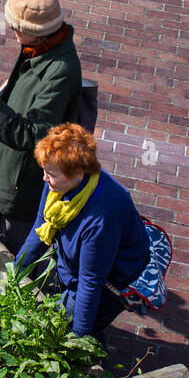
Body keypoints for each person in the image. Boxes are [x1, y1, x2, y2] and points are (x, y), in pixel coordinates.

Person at [15, 123, 150, 346]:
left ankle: (96, 361)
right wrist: (15, 272)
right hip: (82, 271)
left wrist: (78, 342)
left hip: (109, 284)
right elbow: (40, 229)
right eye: (44, 170)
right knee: (74, 315)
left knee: (78, 323)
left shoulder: (101, 218)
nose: (44, 179)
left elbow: (90, 282)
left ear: (78, 173)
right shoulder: (59, 185)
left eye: (51, 174)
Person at [0, 0, 82, 255]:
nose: (12, 32)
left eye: (14, 28)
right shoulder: (40, 48)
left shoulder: (59, 70)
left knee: (16, 254)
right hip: (12, 173)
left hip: (23, 184)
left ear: (33, 32)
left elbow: (35, 136)